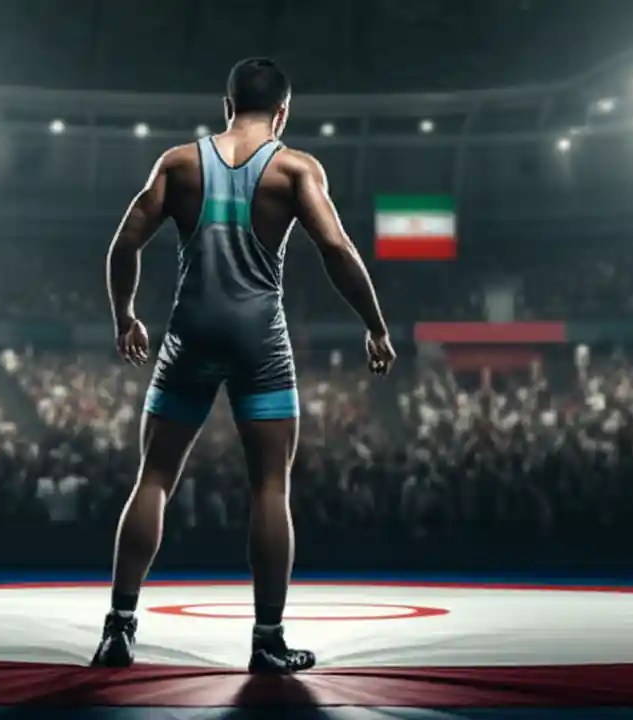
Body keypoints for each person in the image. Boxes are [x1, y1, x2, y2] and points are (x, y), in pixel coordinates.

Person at [92, 57, 395, 673]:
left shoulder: (177, 164)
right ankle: (267, 641)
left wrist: (124, 316)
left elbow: (124, 241)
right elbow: (337, 248)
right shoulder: (294, 167)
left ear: (226, 104)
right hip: (260, 339)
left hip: (190, 333)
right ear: (284, 111)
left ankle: (119, 630)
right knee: (270, 486)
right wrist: (375, 325)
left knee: (154, 478)